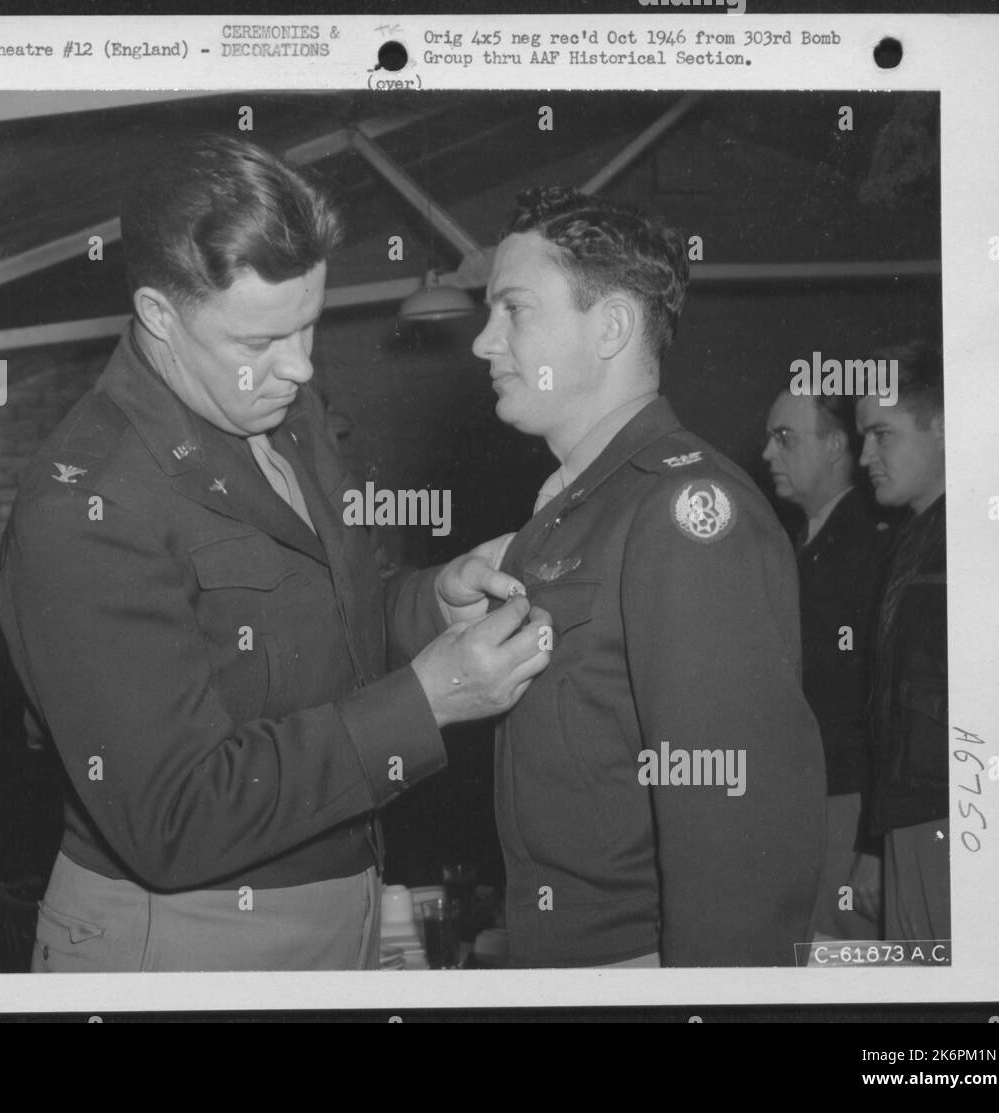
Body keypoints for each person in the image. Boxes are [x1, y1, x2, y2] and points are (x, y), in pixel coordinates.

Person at [0, 135, 550, 972]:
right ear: (158, 316)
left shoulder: (282, 413)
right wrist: (426, 702)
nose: (299, 366)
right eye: (258, 343)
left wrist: (433, 601)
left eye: (309, 325)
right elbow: (174, 818)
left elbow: (326, 620)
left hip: (341, 901)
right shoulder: (87, 505)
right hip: (188, 935)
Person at [394, 187, 826, 967]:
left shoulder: (684, 509)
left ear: (613, 327)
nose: (483, 343)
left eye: (514, 310)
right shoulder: (573, 508)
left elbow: (736, 836)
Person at [761, 389, 893, 940]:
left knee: (840, 962)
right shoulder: (799, 540)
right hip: (804, 800)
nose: (768, 453)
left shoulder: (874, 545)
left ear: (837, 445)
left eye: (785, 437)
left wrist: (873, 837)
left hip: (847, 801)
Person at [854, 342, 948, 944]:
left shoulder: (973, 535)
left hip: (946, 821)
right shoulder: (914, 538)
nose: (865, 456)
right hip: (912, 819)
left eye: (882, 435)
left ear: (941, 427)